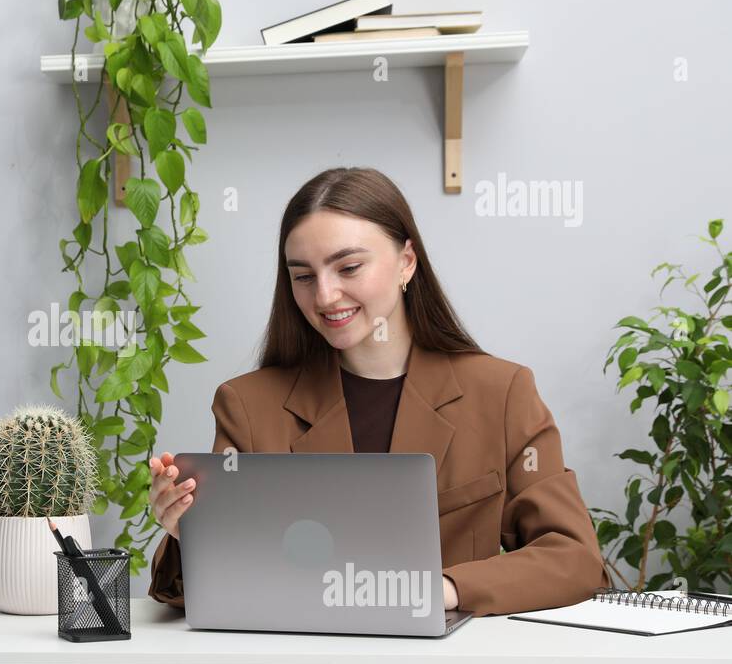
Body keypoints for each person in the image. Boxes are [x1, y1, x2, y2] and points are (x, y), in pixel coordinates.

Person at [146, 167, 610, 618]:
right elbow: (211, 586)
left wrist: (446, 589)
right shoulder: (247, 405)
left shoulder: (502, 393)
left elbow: (574, 558)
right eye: (303, 276)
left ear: (407, 262)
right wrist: (192, 534)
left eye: (348, 267)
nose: (325, 296)